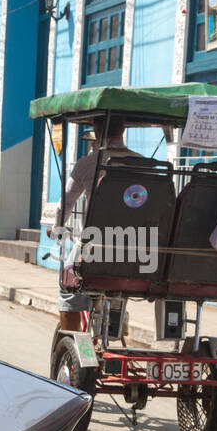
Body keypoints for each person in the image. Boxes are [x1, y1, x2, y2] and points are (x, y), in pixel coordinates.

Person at [48, 115, 144, 331]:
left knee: (67, 287)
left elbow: (65, 204)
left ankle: (70, 338)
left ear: (97, 132)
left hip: (95, 248)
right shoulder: (143, 163)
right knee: (120, 277)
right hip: (135, 248)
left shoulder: (89, 163)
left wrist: (57, 229)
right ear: (123, 130)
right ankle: (119, 313)